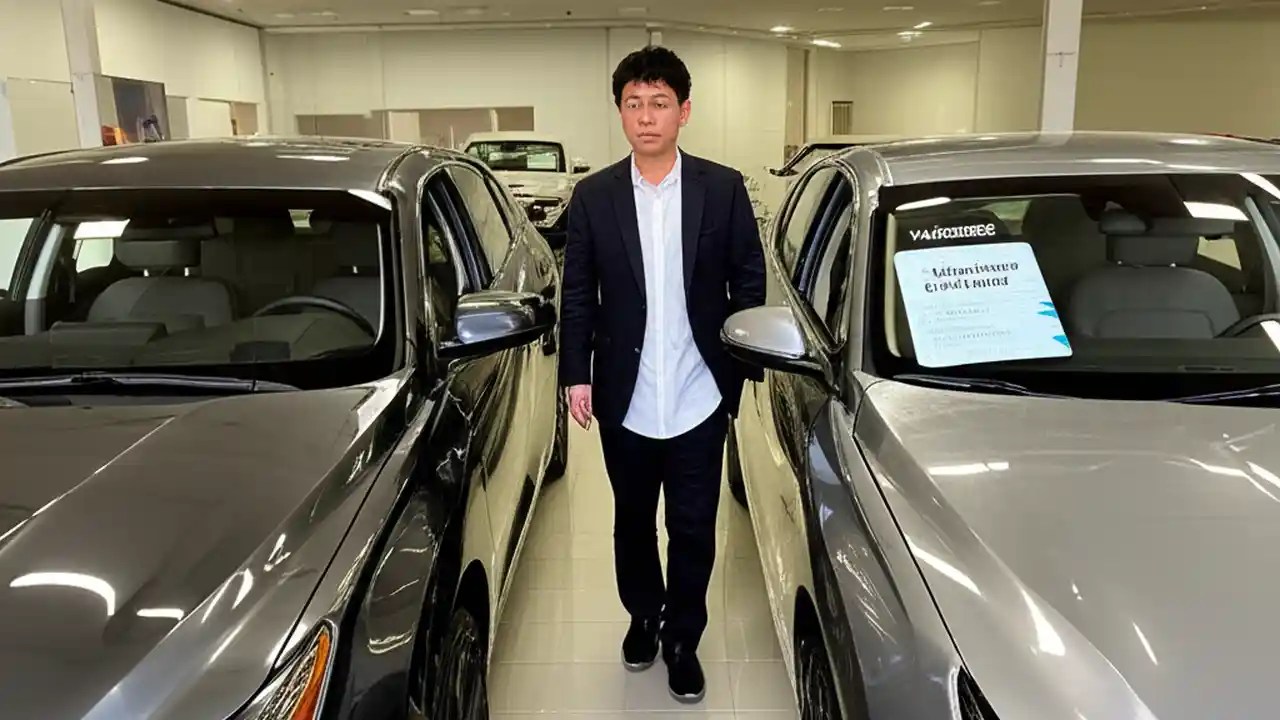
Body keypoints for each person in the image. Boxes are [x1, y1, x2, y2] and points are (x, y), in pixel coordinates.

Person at [558, 45, 765, 703]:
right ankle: (643, 615)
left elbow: (749, 279)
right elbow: (577, 291)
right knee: (632, 521)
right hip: (626, 393)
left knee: (694, 527)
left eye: (660, 103)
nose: (646, 116)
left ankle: (683, 640)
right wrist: (576, 372)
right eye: (634, 104)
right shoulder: (594, 196)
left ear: (684, 112)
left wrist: (738, 369)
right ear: (620, 112)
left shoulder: (722, 188)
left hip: (700, 390)